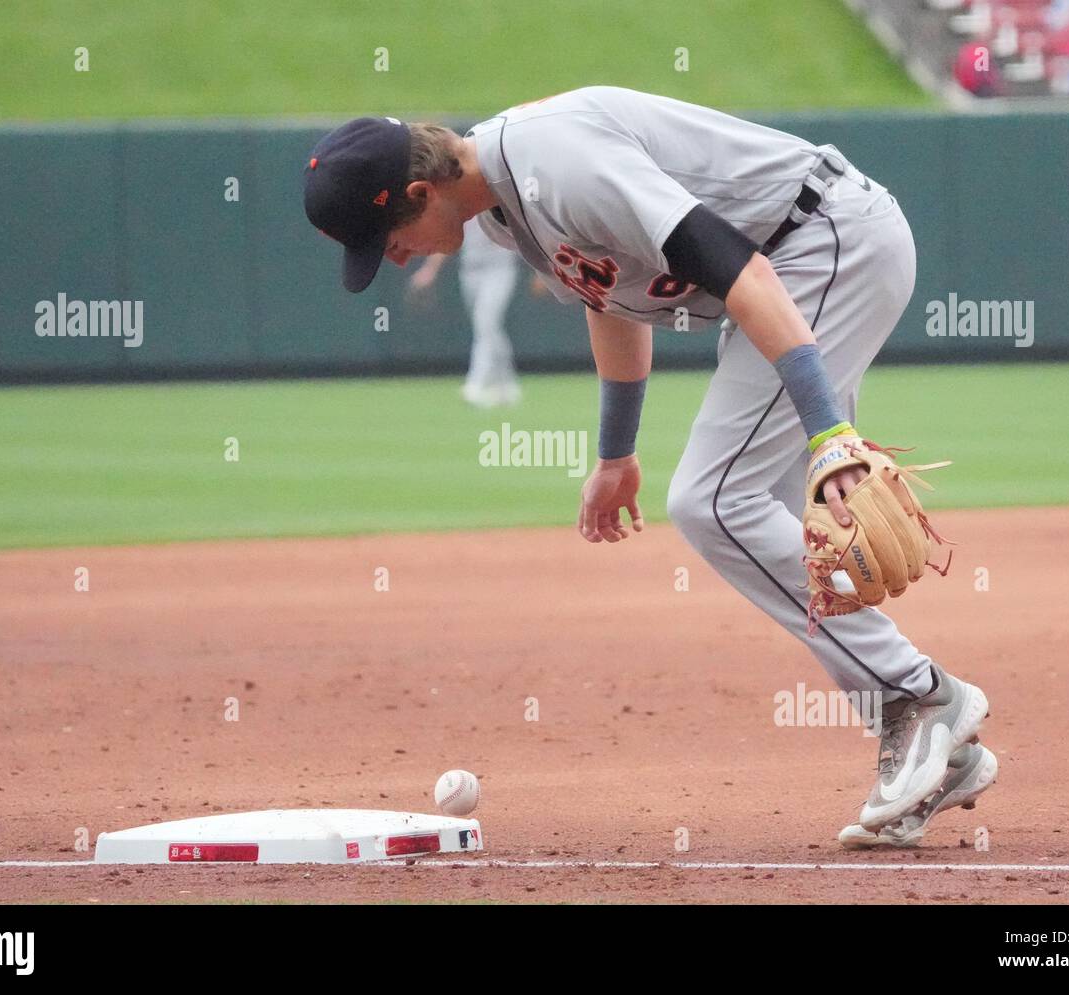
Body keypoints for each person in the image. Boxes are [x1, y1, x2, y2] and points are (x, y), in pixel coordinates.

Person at [301, 87, 994, 846]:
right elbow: (610, 296)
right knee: (754, 514)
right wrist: (616, 449)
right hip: (810, 257)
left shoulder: (558, 165)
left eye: (385, 237)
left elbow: (745, 275)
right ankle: (932, 741)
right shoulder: (502, 210)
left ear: (419, 192)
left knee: (712, 499)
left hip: (823, 243)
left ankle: (918, 699)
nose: (391, 257)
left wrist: (828, 431)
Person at [409, 216, 522, 408]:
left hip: (500, 268)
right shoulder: (467, 204)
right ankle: (506, 385)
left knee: (485, 322)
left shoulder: (498, 198)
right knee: (487, 330)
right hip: (470, 269)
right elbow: (447, 238)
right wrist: (429, 270)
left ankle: (475, 384)